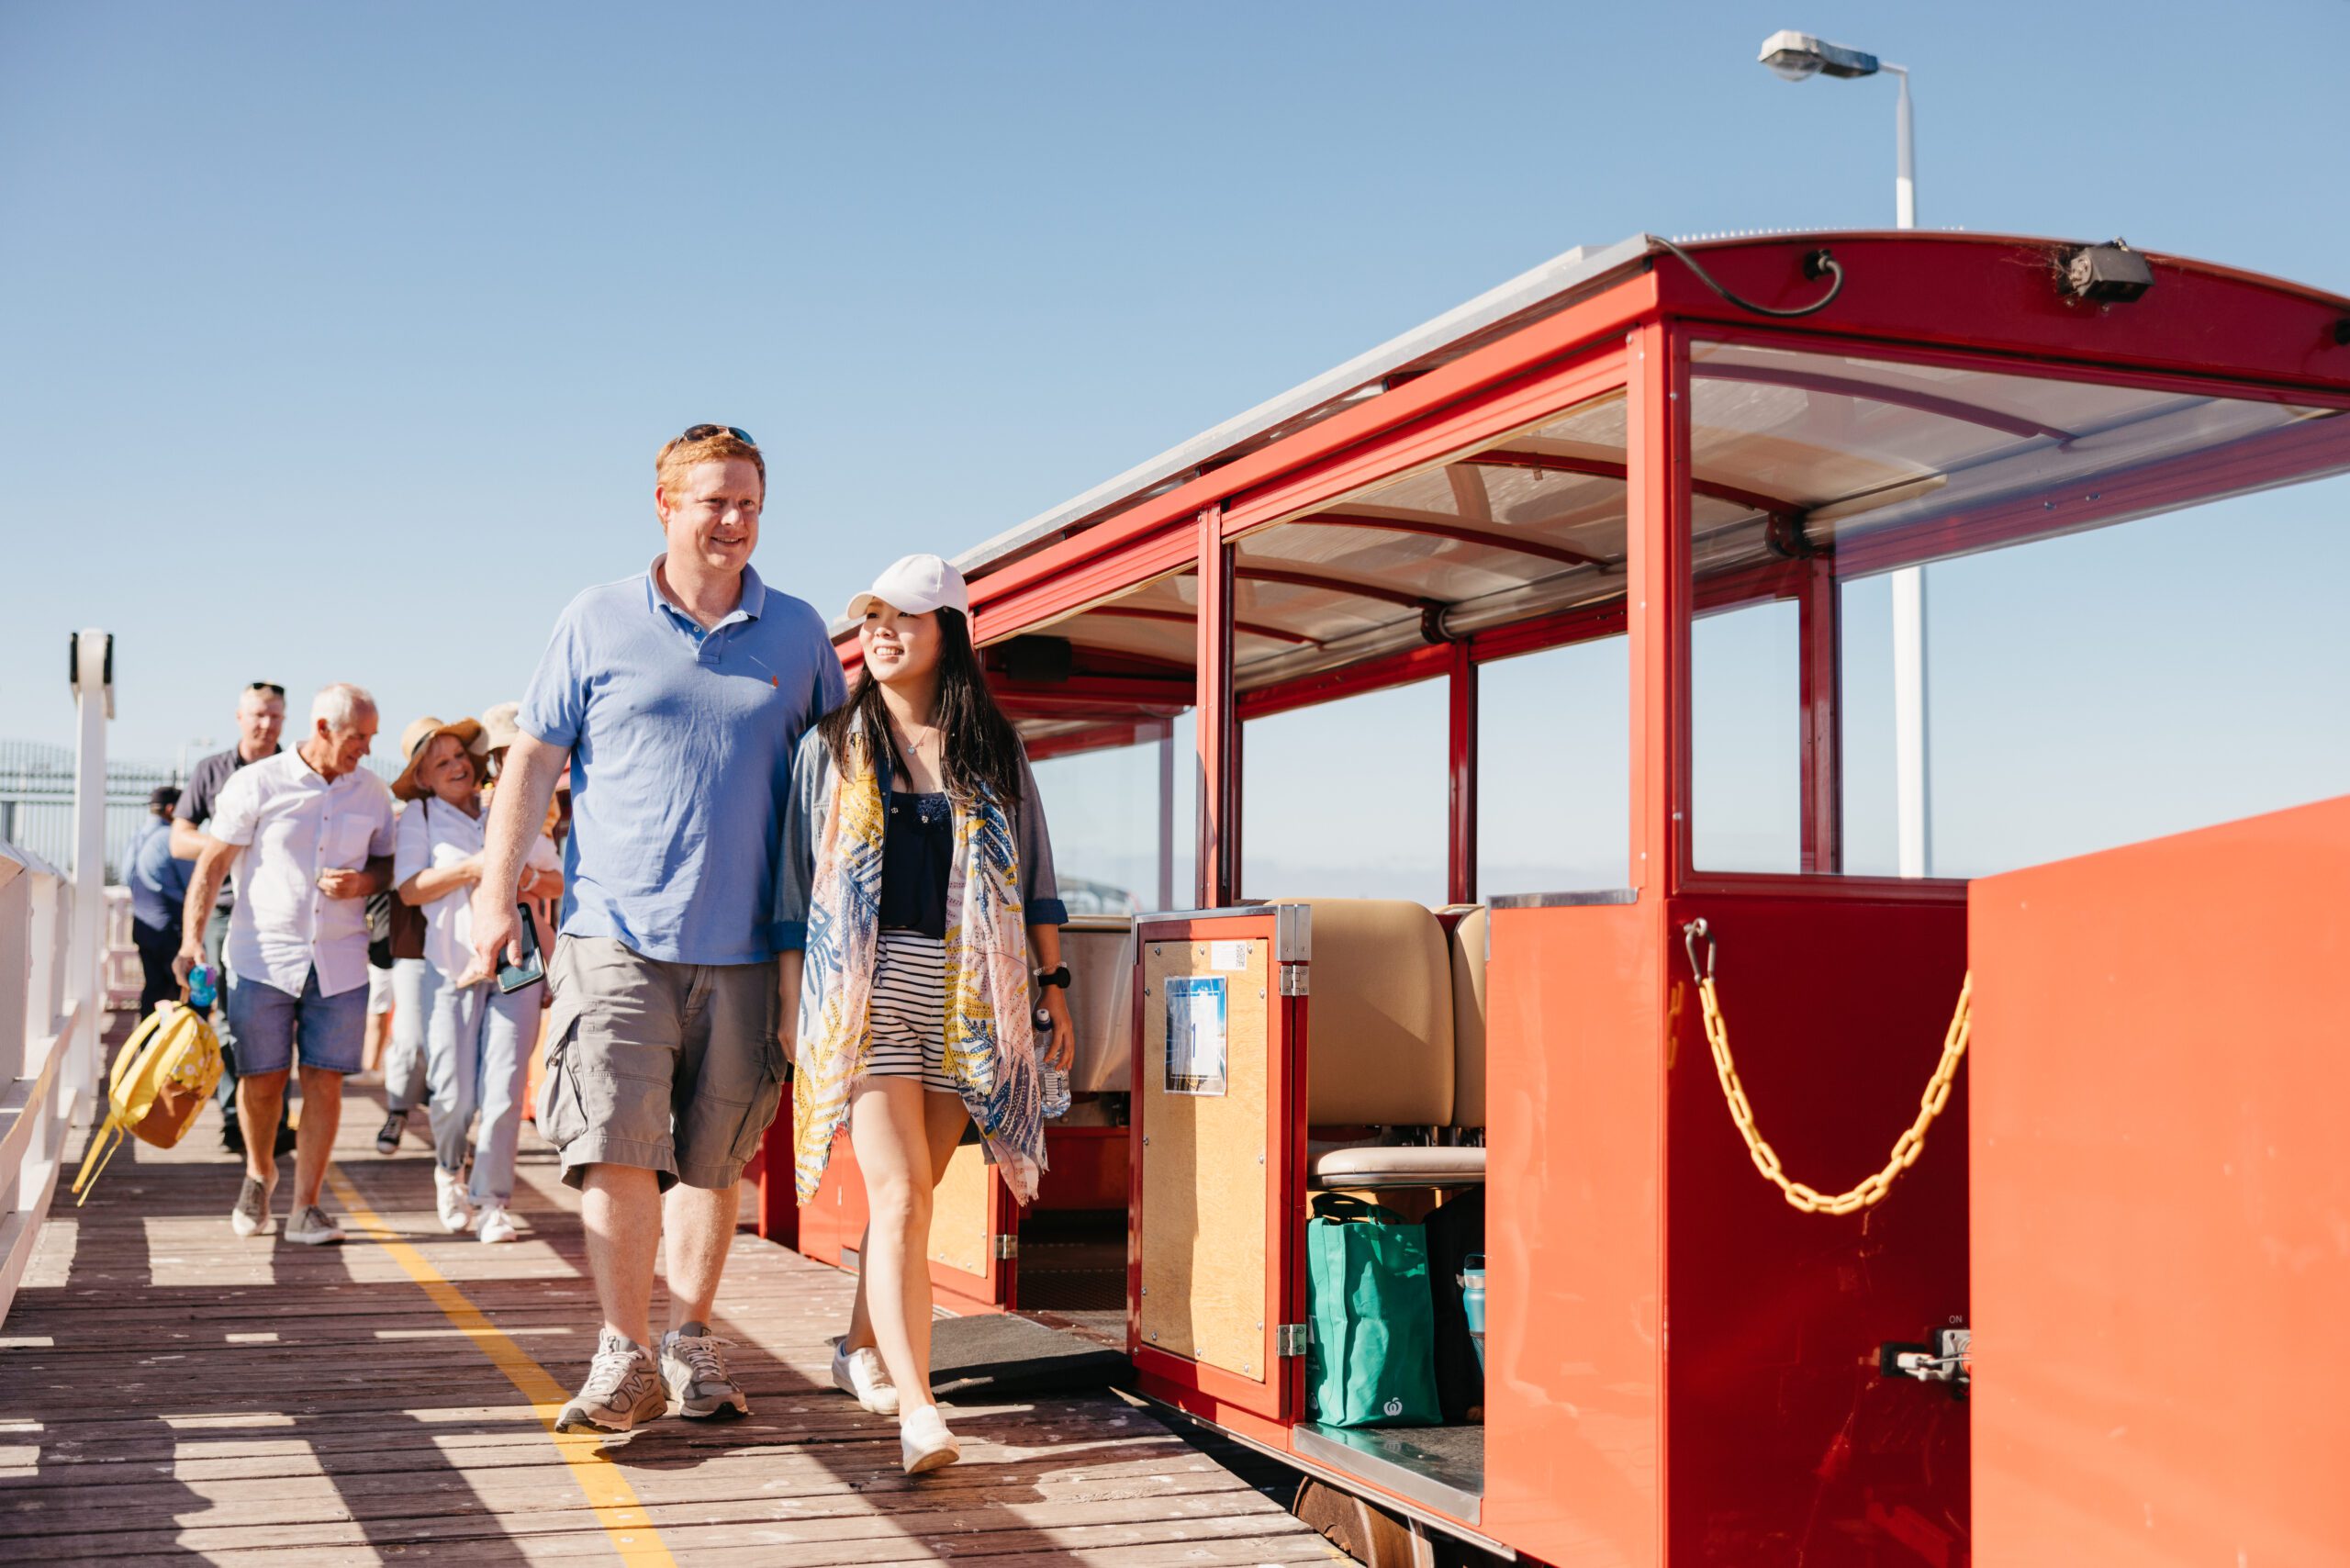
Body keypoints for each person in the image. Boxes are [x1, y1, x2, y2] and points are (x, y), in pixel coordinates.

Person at [468, 424, 843, 1435]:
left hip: (755, 945)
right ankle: (624, 1349)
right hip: (614, 933)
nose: (733, 521)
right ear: (665, 503)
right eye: (713, 501)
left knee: (714, 1157)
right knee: (616, 1144)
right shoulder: (594, 618)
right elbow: (531, 764)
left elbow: (841, 788)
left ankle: (688, 1336)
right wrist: (494, 896)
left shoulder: (801, 633)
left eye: (749, 504)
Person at [779, 553, 1074, 1474]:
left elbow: (1035, 877)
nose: (882, 632)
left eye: (904, 617)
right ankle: (919, 1407)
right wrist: (796, 1006)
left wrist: (1054, 987)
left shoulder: (992, 748)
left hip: (970, 995)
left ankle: (857, 1345)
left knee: (917, 1193)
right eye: (871, 618)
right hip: (864, 993)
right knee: (900, 1192)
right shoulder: (830, 745)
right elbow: (795, 886)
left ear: (950, 631)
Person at [176, 683, 397, 1245]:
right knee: (262, 1081)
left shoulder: (372, 793)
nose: (366, 749)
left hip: (342, 962)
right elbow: (212, 865)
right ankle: (258, 1172)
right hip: (261, 959)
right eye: (358, 738)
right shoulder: (256, 784)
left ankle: (306, 1207)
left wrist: (363, 883)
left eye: (371, 738)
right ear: (323, 728)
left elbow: (388, 867)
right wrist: (191, 941)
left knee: (324, 1082)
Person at [393, 714, 549, 1244]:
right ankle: (448, 1170)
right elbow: (411, 889)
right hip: (450, 968)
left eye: (460, 754)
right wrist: (481, 866)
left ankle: (492, 1202)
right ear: (423, 779)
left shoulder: (504, 802)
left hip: (517, 962)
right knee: (454, 1093)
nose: (457, 765)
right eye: (442, 762)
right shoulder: (418, 818)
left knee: (504, 1087)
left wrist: (520, 874)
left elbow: (553, 873)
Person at [173, 681, 293, 1158]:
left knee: (282, 1024)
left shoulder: (295, 770)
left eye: (277, 716)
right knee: (230, 1018)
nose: (267, 725)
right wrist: (233, 846)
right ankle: (233, 1120)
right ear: (239, 716)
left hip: (280, 916)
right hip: (224, 911)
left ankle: (274, 1121)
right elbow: (179, 840)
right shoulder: (211, 770)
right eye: (259, 715)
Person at [125, 785, 190, 1015]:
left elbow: (126, 877)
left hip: (143, 925)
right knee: (183, 990)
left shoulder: (138, 836)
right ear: (171, 809)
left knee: (153, 988)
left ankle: (148, 1046)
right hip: (171, 928)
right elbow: (193, 882)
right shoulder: (172, 838)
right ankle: (179, 1048)